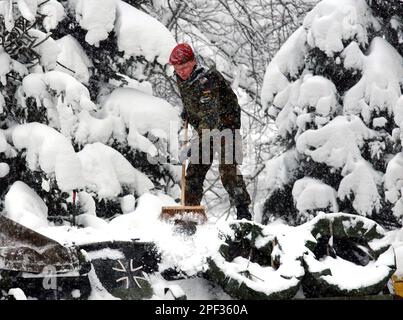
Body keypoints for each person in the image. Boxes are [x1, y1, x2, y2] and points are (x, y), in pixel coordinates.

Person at [169, 43, 252, 220]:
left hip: (226, 126)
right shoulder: (182, 78)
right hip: (204, 127)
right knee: (194, 172)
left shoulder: (207, 79)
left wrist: (194, 143)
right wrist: (188, 111)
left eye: (184, 67)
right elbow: (194, 101)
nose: (181, 72)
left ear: (193, 62)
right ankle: (189, 214)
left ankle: (243, 212)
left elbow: (210, 117)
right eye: (177, 69)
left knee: (228, 168)